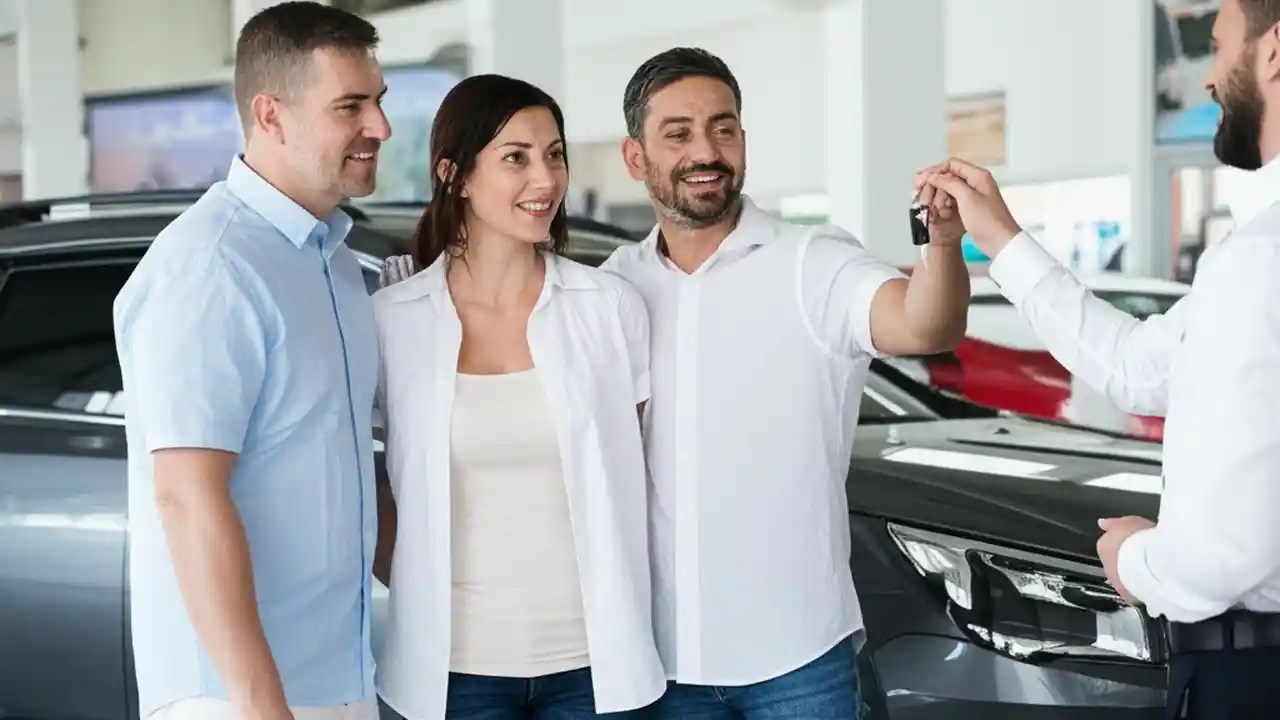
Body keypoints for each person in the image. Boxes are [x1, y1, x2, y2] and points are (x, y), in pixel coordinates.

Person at [917, 1, 1280, 716]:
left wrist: (1136, 560)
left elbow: (1226, 556)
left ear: (1274, 52)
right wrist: (1001, 238)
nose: (1207, 78)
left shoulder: (1259, 259)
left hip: (1253, 671)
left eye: (1216, 46)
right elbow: (1137, 366)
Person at [601, 47, 970, 719]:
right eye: (678, 133)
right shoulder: (613, 286)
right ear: (636, 157)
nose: (706, 150)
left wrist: (940, 246)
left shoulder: (814, 264)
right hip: (658, 664)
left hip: (798, 658)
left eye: (723, 127)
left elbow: (924, 327)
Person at [111, 3, 391, 720]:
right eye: (350, 107)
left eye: (378, 103)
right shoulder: (210, 266)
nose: (379, 128)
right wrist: (262, 705)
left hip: (336, 675)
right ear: (271, 115)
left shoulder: (333, 265)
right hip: (238, 696)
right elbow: (186, 493)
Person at [371, 74, 665, 720]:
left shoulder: (609, 308)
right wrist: (421, 578)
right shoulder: (393, 321)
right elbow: (370, 493)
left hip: (596, 672)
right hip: (454, 674)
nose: (546, 178)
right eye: (517, 157)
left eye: (554, 154)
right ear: (455, 174)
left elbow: (640, 481)